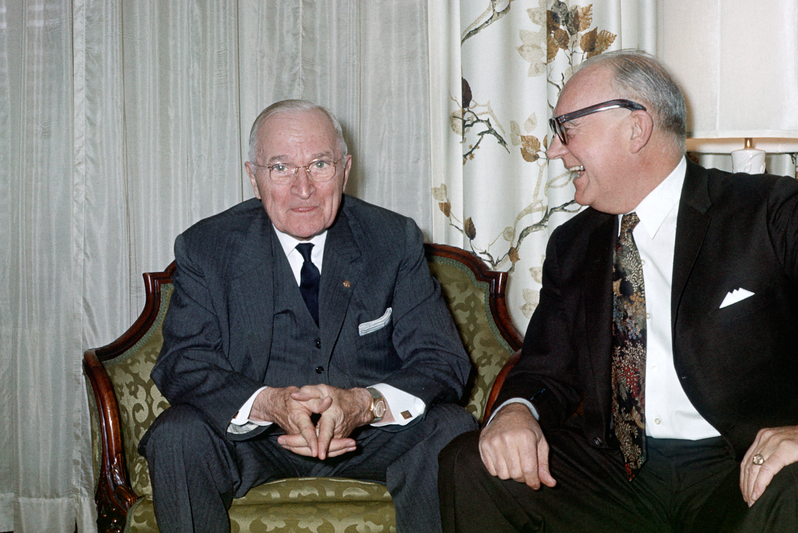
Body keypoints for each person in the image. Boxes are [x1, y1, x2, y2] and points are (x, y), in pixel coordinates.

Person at [438, 49, 798, 532]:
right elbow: (545, 371)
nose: (554, 150)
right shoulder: (572, 244)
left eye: (567, 129)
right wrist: (515, 412)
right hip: (618, 470)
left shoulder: (769, 211)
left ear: (636, 128)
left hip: (740, 465)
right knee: (473, 464)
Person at [139, 99, 477, 533]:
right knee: (177, 434)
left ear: (345, 169)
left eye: (320, 164)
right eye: (281, 168)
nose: (303, 189)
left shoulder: (392, 239)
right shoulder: (207, 246)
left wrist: (364, 404)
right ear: (253, 177)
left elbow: (442, 359)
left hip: (369, 438)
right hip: (255, 441)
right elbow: (183, 361)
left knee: (451, 426)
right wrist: (268, 404)